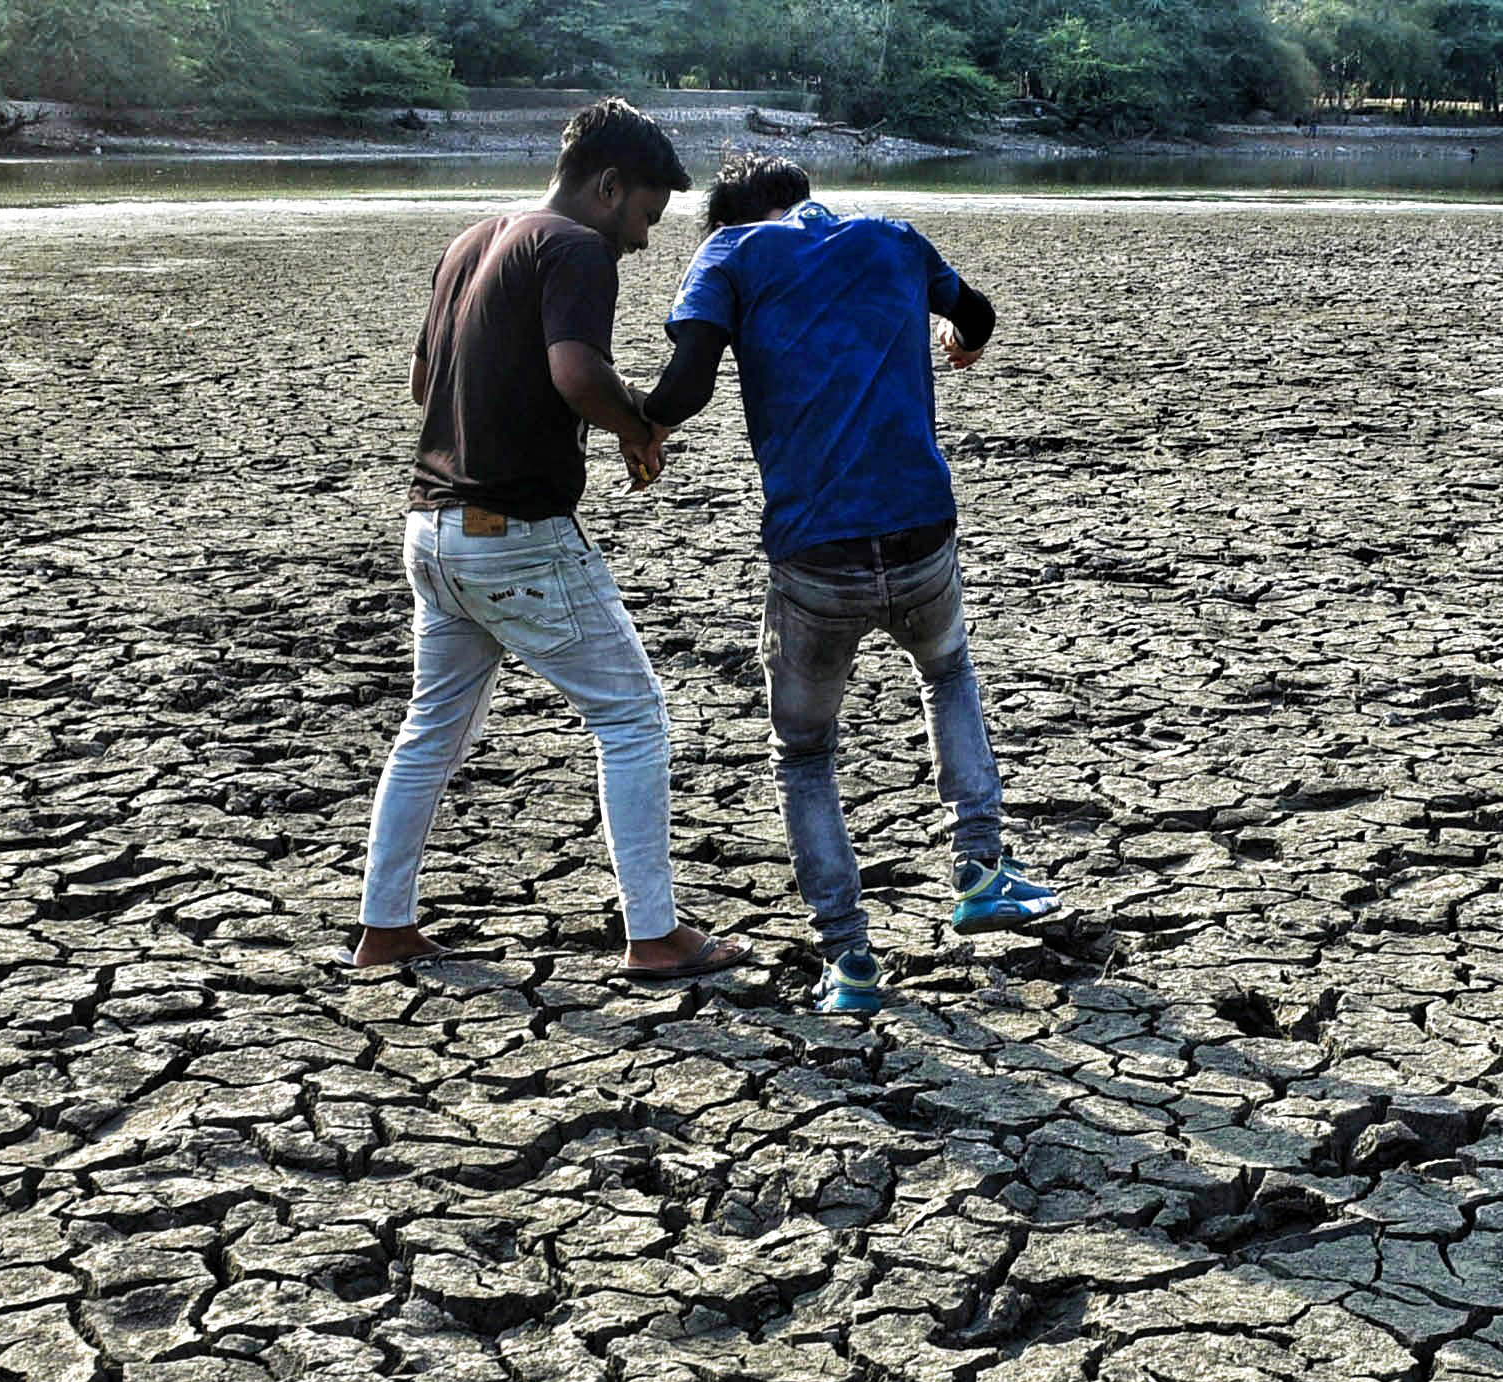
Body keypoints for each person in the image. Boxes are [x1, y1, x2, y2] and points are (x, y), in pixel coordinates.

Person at [644, 153, 1059, 1018]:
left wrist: (627, 424)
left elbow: (682, 393)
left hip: (813, 554)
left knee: (803, 752)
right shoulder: (892, 239)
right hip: (920, 530)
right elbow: (975, 312)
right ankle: (981, 869)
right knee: (945, 674)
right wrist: (960, 343)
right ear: (808, 197)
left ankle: (851, 960)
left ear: (736, 213)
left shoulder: (728, 254)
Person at [350, 98, 749, 983]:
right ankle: (654, 934)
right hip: (514, 536)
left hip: (430, 530)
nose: (641, 240)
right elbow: (576, 372)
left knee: (431, 731)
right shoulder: (575, 247)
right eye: (644, 215)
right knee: (633, 718)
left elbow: (426, 383)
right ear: (608, 186)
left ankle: (385, 925)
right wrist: (635, 426)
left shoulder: (470, 241)